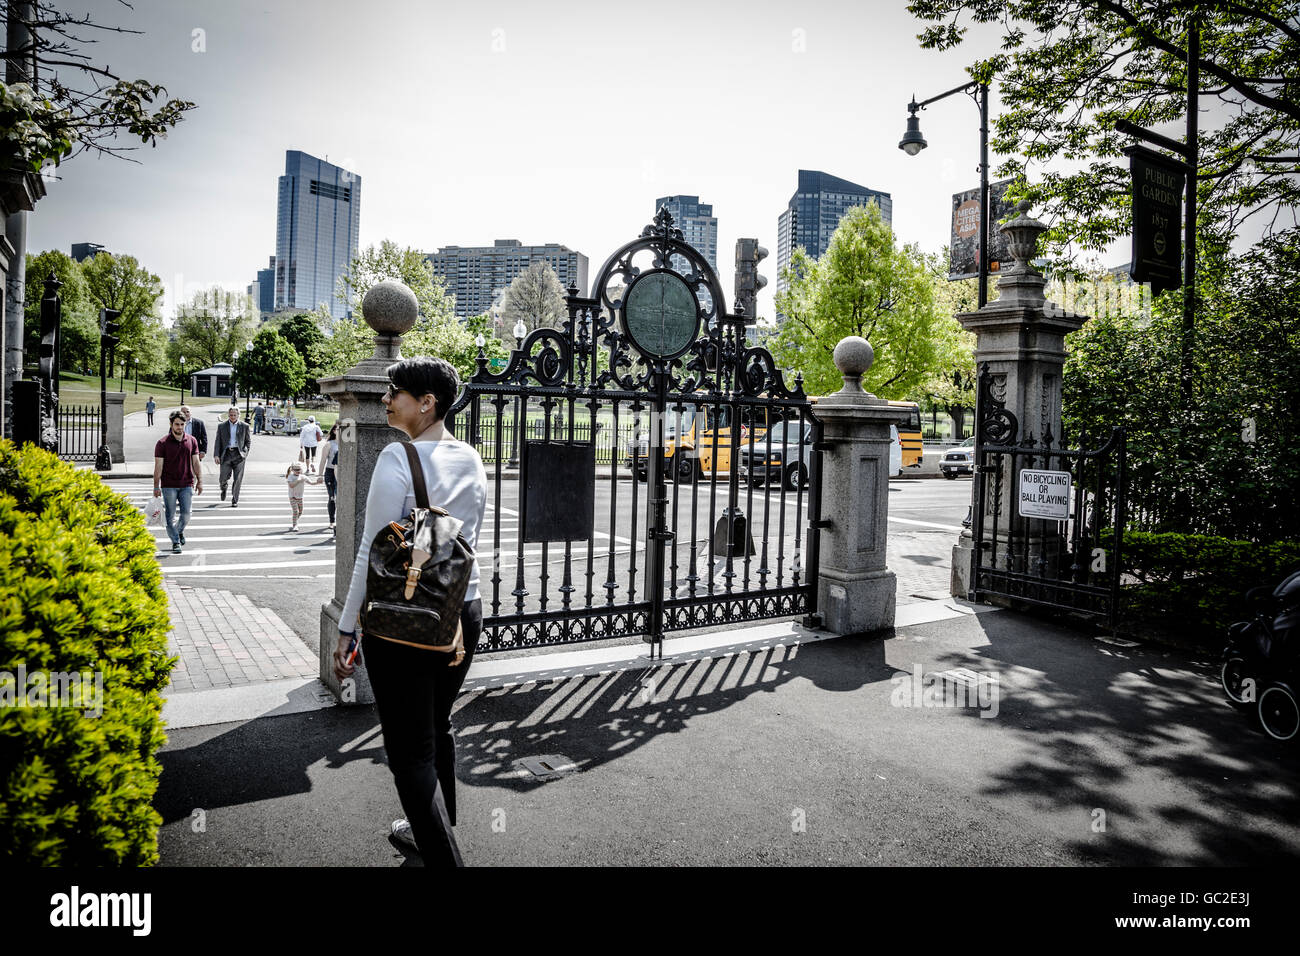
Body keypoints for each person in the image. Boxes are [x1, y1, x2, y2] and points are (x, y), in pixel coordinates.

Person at [334, 356, 486, 867]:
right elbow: (462, 543)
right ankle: (434, 826)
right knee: (436, 727)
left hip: (404, 622)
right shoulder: (472, 458)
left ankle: (445, 855)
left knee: (408, 754)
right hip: (462, 614)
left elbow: (370, 554)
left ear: (427, 403)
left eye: (394, 391)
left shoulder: (398, 459)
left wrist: (346, 627)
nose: (385, 398)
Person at [153, 410, 203, 553]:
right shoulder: (162, 443)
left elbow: (196, 462)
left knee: (186, 514)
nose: (179, 427)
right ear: (171, 424)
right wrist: (156, 486)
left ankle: (178, 531)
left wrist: (200, 481)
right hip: (169, 485)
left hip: (187, 483)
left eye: (182, 424)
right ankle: (175, 542)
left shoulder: (192, 441)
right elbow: (158, 467)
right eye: (176, 424)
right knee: (170, 516)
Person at [215, 406, 252, 507]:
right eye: (231, 415)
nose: (232, 417)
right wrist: (216, 455)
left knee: (238, 478)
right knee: (223, 477)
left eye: (235, 415)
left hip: (239, 455)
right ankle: (224, 487)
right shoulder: (222, 426)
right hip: (226, 454)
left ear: (238, 415)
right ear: (228, 415)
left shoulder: (245, 426)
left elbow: (248, 441)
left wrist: (245, 453)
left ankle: (235, 499)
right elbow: (218, 441)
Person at [284, 460, 321, 532]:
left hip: (300, 497)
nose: (298, 471)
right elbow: (291, 485)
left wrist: (317, 482)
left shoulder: (303, 476)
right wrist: (298, 481)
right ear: (292, 470)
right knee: (296, 511)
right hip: (292, 496)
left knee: (300, 511)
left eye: (299, 469)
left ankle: (295, 521)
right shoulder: (290, 476)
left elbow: (311, 483)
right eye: (296, 469)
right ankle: (295, 525)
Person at [320, 423, 340, 532]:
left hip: (342, 473)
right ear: (333, 431)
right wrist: (319, 475)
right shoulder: (329, 444)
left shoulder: (348, 443)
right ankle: (332, 521)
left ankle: (339, 521)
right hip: (330, 472)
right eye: (337, 429)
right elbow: (323, 460)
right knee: (332, 498)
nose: (340, 431)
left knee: (340, 499)